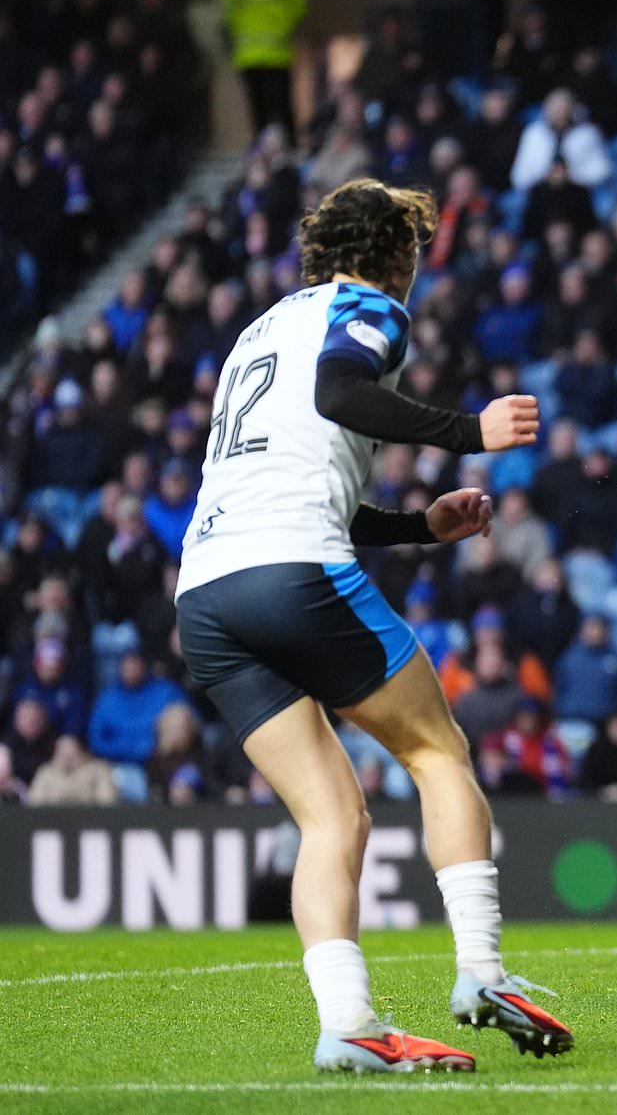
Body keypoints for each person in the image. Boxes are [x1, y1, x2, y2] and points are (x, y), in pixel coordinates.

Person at [174, 178, 571, 1072]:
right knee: (436, 753)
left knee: (332, 817)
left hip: (206, 592)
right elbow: (341, 394)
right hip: (292, 572)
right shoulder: (368, 307)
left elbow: (285, 473)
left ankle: (347, 1024)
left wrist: (412, 528)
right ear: (402, 257)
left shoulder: (257, 333)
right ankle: (481, 972)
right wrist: (472, 431)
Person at [220, 0, 306, 136]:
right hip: (262, 54)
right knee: (267, 110)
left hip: (269, 54)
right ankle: (268, 152)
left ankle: (283, 151)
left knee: (274, 109)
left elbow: (298, 4)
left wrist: (284, 26)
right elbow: (229, 14)